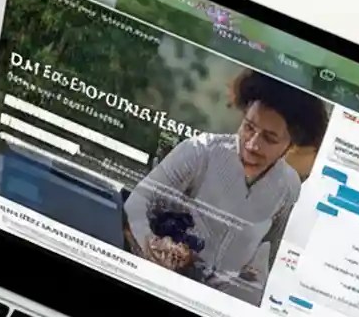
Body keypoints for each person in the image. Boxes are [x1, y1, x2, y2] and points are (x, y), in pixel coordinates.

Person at [124, 70, 329, 304]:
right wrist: (150, 244)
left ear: (290, 145)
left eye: (270, 139)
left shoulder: (289, 187)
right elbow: (138, 201)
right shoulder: (200, 152)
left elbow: (277, 257)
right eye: (249, 127)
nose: (252, 144)